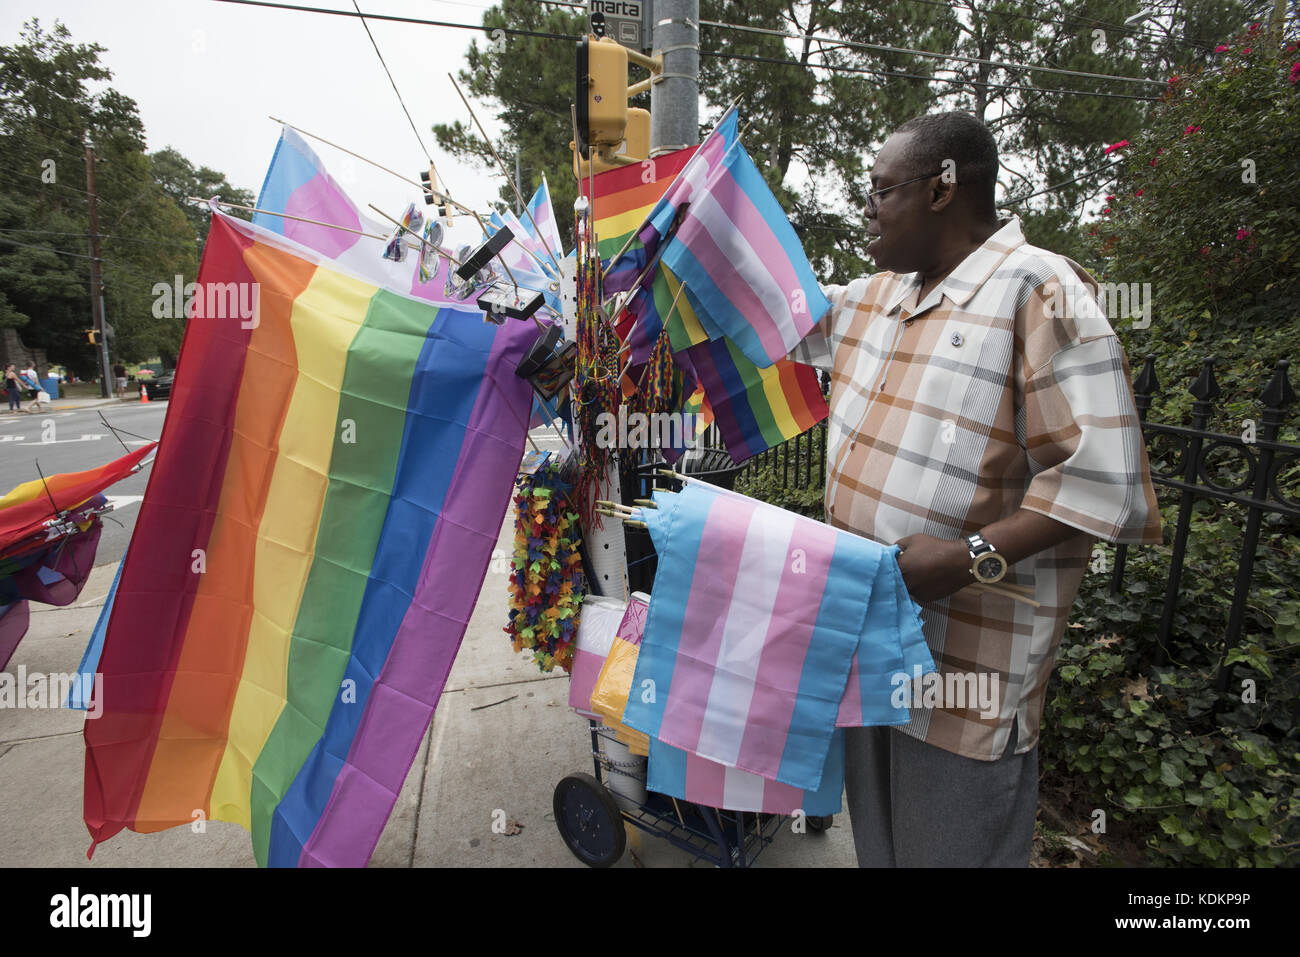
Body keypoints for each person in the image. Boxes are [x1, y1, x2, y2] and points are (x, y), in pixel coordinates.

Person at [791, 111, 1161, 867]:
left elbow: (1103, 479)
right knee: (882, 852)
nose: (866, 206)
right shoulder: (875, 297)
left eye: (880, 189)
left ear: (941, 188)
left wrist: (966, 557)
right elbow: (770, 320)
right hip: (873, 644)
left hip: (966, 678)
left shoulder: (1040, 289)